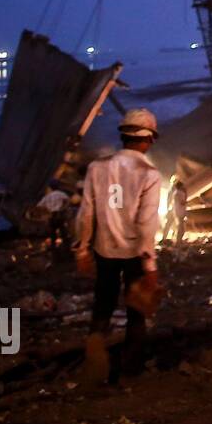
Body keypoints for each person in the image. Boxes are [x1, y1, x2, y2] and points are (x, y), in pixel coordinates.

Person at [73, 108, 163, 385]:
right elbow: (146, 225)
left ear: (123, 136)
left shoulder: (97, 168)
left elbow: (86, 213)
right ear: (149, 139)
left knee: (103, 305)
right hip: (135, 254)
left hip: (104, 251)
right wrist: (150, 267)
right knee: (136, 311)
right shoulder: (150, 174)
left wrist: (82, 250)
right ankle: (130, 370)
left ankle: (95, 358)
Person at [37, 179, 71, 250]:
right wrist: (62, 208)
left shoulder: (47, 196)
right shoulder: (61, 194)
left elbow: (39, 206)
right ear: (58, 186)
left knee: (52, 233)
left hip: (51, 216)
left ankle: (54, 248)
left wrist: (46, 212)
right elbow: (67, 201)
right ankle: (67, 248)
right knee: (63, 231)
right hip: (60, 215)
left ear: (50, 187)